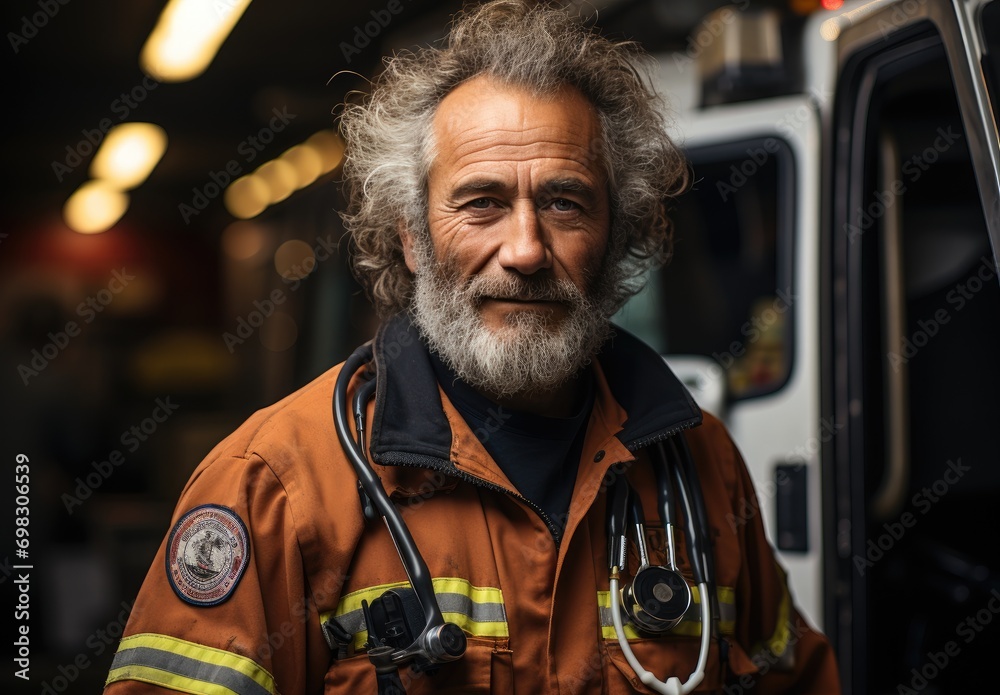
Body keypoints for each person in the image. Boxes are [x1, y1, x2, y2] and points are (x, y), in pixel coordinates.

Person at [104, 2, 841, 693]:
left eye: (564, 201)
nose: (525, 250)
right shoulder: (273, 484)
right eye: (481, 202)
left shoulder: (702, 464)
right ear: (412, 239)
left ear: (617, 237)